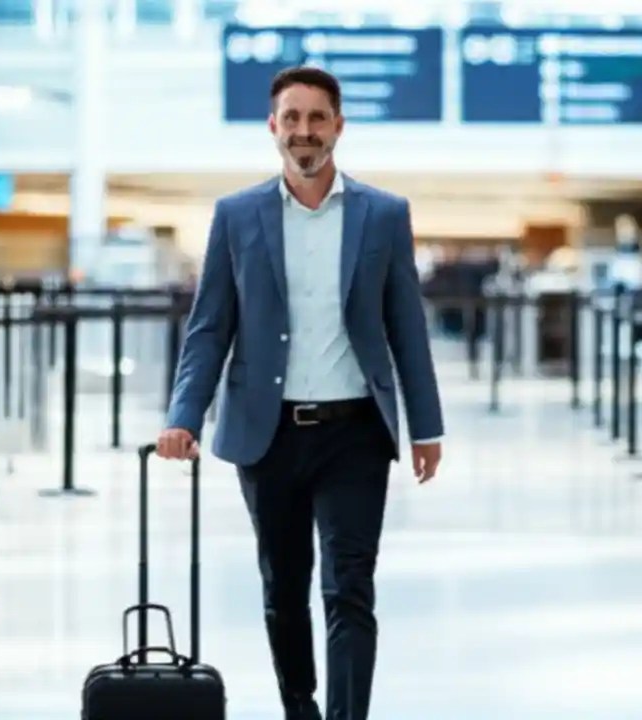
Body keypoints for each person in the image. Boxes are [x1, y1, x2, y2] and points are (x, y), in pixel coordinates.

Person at [155, 65, 445, 720]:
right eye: (292, 118)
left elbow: (407, 328)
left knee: (349, 590)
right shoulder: (237, 216)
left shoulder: (384, 215)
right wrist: (183, 416)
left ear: (338, 126)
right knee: (284, 591)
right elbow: (208, 329)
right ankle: (301, 709)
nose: (304, 131)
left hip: (355, 434)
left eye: (317, 118)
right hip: (269, 436)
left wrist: (426, 426)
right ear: (272, 127)